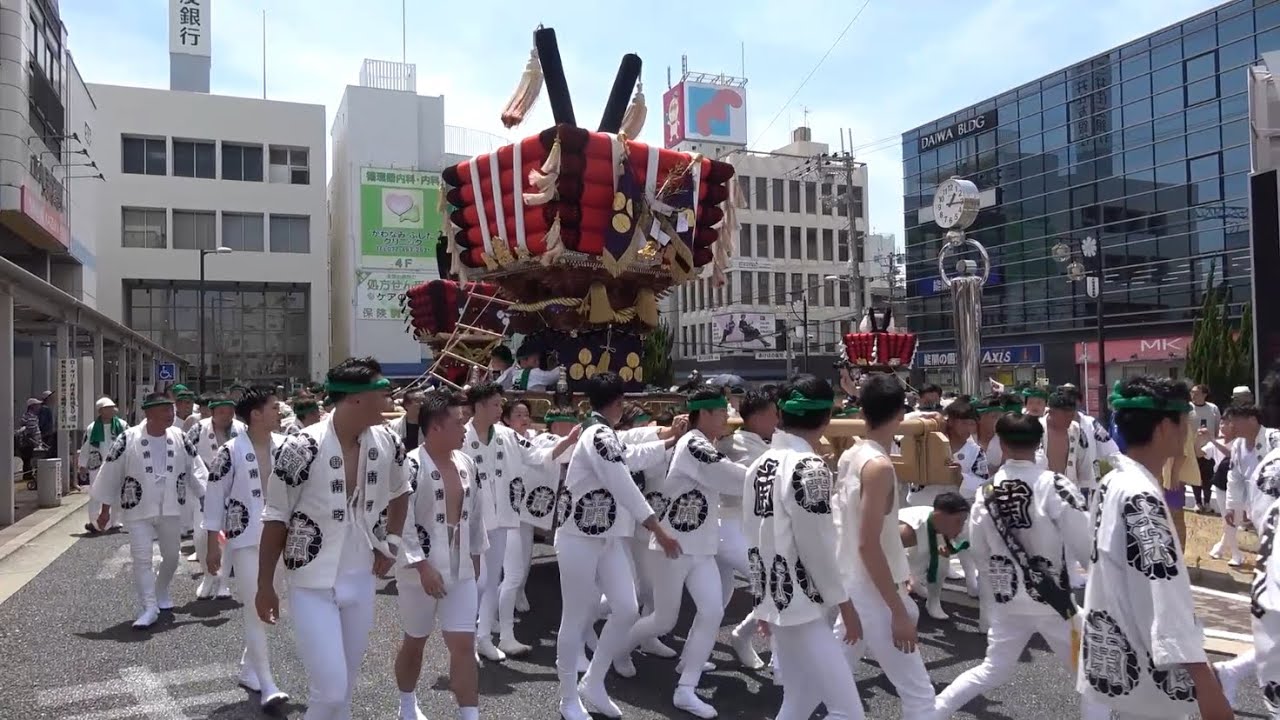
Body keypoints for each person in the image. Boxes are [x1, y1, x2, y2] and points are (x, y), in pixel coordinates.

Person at [256, 357, 412, 720]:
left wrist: (392, 541)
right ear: (356, 399)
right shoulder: (300, 446)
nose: (389, 401)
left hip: (360, 576)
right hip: (312, 581)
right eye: (382, 393)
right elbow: (276, 517)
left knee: (344, 690)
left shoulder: (388, 441)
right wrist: (266, 585)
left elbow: (401, 490)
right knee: (330, 690)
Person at [1077, 377, 1232, 720]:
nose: (1187, 434)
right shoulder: (1142, 497)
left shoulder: (1113, 481)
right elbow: (1165, 590)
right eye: (1184, 424)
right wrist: (1204, 680)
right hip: (1148, 665)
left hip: (1121, 650)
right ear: (1165, 427)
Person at [934, 412, 1098, 717]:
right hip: (1054, 601)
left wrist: (997, 585)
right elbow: (1086, 545)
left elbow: (979, 550)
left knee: (991, 670)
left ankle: (932, 712)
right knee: (1089, 677)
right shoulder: (1054, 485)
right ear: (1039, 444)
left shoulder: (986, 492)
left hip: (1007, 601)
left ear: (1003, 446)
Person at [554, 372, 682, 720]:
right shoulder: (597, 435)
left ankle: (593, 681)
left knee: (626, 608)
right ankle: (568, 697)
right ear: (617, 403)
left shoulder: (603, 433)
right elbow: (623, 483)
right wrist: (658, 528)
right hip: (578, 538)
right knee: (575, 617)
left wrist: (668, 441)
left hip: (606, 537)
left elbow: (630, 455)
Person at [616, 386, 749, 719]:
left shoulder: (707, 444)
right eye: (721, 414)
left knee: (711, 611)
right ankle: (615, 651)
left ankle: (686, 687)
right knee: (664, 618)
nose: (726, 420)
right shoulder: (693, 445)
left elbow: (728, 479)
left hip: (701, 547)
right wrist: (772, 477)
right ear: (703, 414)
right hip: (672, 546)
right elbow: (729, 477)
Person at [745, 373, 864, 720]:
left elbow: (755, 536)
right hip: (801, 603)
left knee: (797, 705)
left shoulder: (760, 463)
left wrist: (763, 600)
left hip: (778, 596)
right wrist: (846, 605)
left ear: (780, 414)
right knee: (846, 712)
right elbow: (818, 546)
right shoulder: (809, 467)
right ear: (827, 418)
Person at [833, 372, 936, 718]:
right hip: (874, 590)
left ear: (863, 412)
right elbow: (868, 543)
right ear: (899, 415)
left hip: (854, 580)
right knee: (919, 694)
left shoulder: (852, 456)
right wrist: (897, 611)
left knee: (832, 684)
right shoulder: (878, 465)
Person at [464, 382, 577, 662]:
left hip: (502, 515)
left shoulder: (507, 436)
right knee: (471, 581)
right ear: (478, 406)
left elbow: (537, 457)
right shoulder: (462, 435)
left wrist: (567, 441)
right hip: (471, 519)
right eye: (494, 404)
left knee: (491, 580)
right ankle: (466, 637)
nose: (499, 408)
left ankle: (485, 638)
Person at [394, 391, 488, 720]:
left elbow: (474, 515)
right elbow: (400, 522)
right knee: (415, 641)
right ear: (435, 427)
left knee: (464, 645)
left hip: (459, 566)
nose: (465, 429)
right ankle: (407, 702)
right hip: (420, 568)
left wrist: (475, 555)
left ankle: (470, 715)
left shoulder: (466, 463)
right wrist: (421, 565)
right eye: (459, 423)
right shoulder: (410, 465)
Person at [90, 391, 208, 629]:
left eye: (171, 409)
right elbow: (110, 474)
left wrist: (207, 498)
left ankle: (161, 589)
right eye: (165, 409)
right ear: (149, 413)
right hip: (137, 507)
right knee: (141, 558)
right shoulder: (128, 438)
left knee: (172, 557)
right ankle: (149, 607)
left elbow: (196, 470)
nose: (170, 414)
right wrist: (105, 511)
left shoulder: (179, 436)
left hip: (171, 506)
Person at [202, 386, 289, 710]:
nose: (279, 413)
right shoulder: (230, 451)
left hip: (281, 538)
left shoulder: (287, 446)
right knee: (256, 607)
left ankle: (248, 669)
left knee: (270, 604)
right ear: (255, 414)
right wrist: (213, 546)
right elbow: (213, 499)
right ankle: (267, 683)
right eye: (274, 408)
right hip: (246, 538)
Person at [717, 388, 778, 669]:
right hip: (727, 529)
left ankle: (691, 661)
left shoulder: (761, 442)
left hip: (741, 529)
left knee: (717, 600)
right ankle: (743, 636)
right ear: (757, 417)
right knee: (772, 585)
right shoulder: (738, 444)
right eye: (772, 414)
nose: (777, 418)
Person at [185, 393, 244, 599]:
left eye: (230, 411)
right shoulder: (198, 429)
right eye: (221, 412)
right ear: (211, 412)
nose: (226, 416)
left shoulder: (241, 429)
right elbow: (187, 458)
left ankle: (224, 582)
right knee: (201, 536)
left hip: (234, 489)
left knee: (228, 538)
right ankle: (209, 575)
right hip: (205, 488)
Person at [1216, 403, 1280, 567]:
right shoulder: (1238, 445)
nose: (1231, 426)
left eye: (1235, 421)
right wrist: (1232, 506)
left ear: (1252, 420)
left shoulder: (1274, 439)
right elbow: (1235, 477)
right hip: (1257, 507)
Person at [898, 492, 971, 621]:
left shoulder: (954, 526)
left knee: (942, 567)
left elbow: (963, 543)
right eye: (958, 521)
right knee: (909, 615)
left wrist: (951, 548)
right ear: (939, 517)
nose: (961, 526)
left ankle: (933, 601)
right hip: (904, 559)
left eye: (963, 521)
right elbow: (886, 551)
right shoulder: (911, 528)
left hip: (931, 548)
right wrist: (905, 576)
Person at [80, 397, 125, 534]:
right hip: (97, 464)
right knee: (96, 492)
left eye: (112, 407)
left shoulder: (122, 425)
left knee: (117, 492)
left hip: (117, 463)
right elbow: (85, 447)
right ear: (100, 411)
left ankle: (115, 521)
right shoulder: (92, 428)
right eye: (107, 408)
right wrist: (82, 464)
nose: (112, 410)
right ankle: (94, 521)